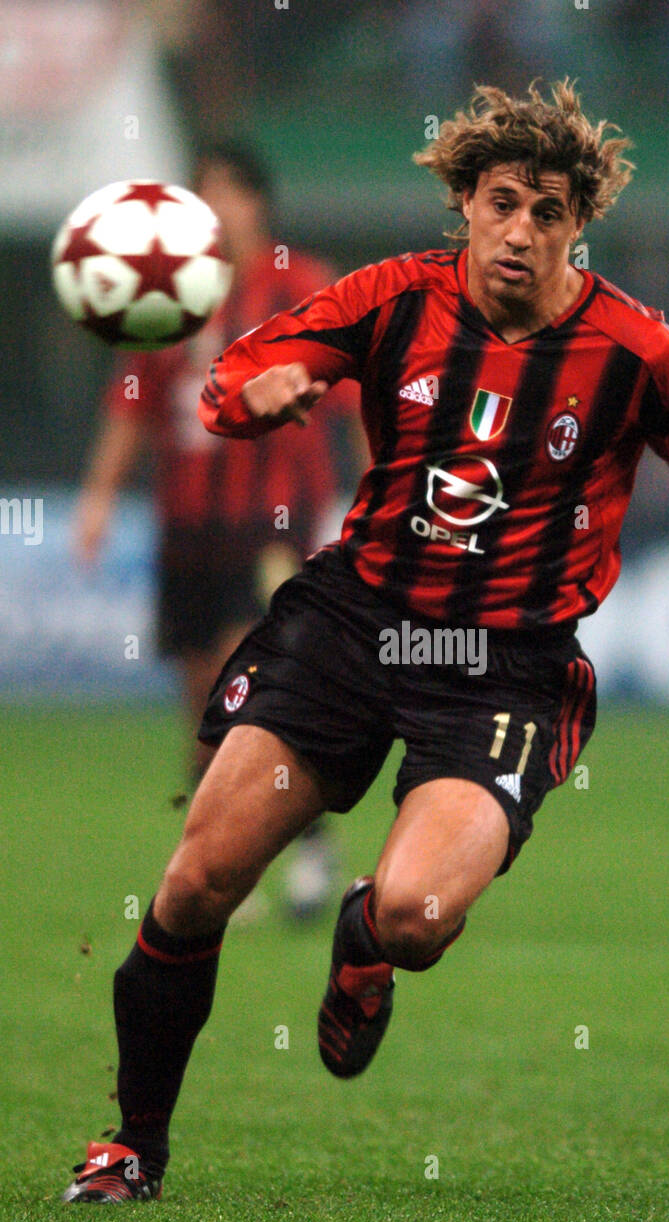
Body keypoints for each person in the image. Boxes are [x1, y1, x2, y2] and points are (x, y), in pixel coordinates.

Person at [62, 81, 669, 1203]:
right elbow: (244, 364)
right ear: (463, 202)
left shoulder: (637, 353)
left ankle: (361, 934)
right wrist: (256, 396)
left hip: (503, 669)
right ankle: (131, 1147)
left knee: (416, 915)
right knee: (199, 877)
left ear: (576, 224)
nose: (520, 232)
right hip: (356, 625)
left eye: (548, 212)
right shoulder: (392, 297)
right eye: (501, 203)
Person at [71, 142, 360, 919]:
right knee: (204, 704)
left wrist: (380, 487)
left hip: (271, 521)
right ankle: (221, 862)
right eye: (204, 193)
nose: (218, 207)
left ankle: (308, 847)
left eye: (230, 191)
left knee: (253, 680)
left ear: (259, 203)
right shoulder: (163, 292)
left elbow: (356, 398)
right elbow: (130, 403)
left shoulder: (304, 288)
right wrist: (97, 499)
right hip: (185, 524)